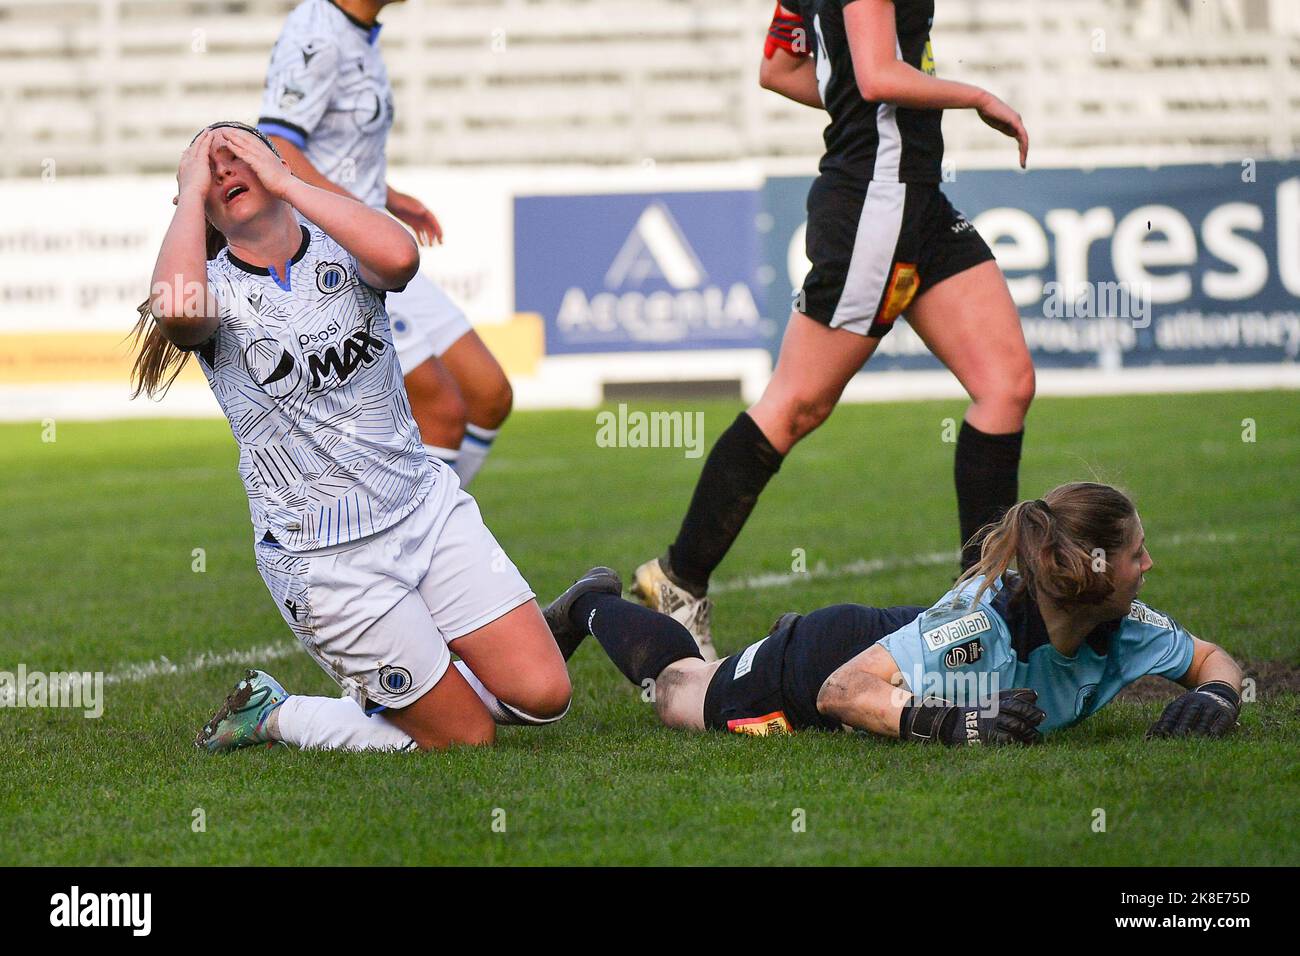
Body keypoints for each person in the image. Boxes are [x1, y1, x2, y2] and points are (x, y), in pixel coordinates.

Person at [130, 122, 569, 752]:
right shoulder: (212, 293)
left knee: (545, 695)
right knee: (466, 739)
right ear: (197, 199)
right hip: (325, 562)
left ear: (274, 164)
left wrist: (287, 180)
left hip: (426, 510)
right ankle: (276, 714)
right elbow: (174, 309)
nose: (225, 171)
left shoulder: (343, 248)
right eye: (208, 168)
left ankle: (445, 663)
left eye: (238, 156)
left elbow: (402, 257)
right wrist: (189, 190)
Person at [632, 0, 1035, 660]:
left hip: (914, 199)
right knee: (794, 405)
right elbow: (876, 76)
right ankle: (678, 580)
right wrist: (975, 96)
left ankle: (978, 608)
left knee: (1006, 383)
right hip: (878, 200)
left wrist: (862, 95)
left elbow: (779, 68)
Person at [556, 483, 1243, 743]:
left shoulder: (1125, 630)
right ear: (1087, 573)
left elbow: (1212, 658)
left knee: (691, 680)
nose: (1148, 567)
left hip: (890, 648)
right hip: (825, 661)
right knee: (679, 689)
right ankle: (592, 601)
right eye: (1136, 556)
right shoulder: (977, 630)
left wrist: (1218, 695)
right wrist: (949, 722)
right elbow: (841, 691)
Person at [257, 0, 510, 487]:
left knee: (489, 392)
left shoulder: (360, 33)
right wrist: (364, 215)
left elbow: (332, 148)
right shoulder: (317, 32)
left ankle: (438, 531)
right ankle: (415, 548)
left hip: (375, 245)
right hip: (340, 253)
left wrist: (388, 198)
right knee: (441, 410)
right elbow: (278, 146)